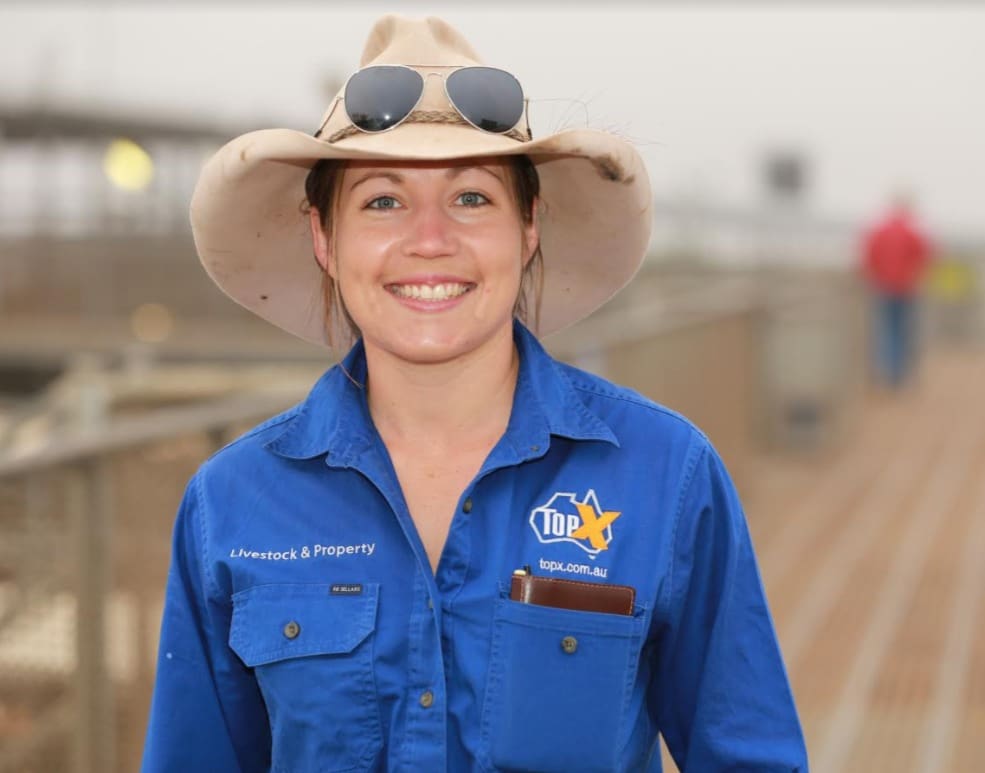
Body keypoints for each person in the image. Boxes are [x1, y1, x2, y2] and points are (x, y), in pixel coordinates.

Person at [141, 14, 807, 772]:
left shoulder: (666, 472)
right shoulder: (229, 502)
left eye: (471, 199)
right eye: (382, 202)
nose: (430, 239)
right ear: (325, 239)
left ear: (528, 229)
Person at [860, 193, 932, 389]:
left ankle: (888, 372)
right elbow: (925, 256)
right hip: (906, 288)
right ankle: (898, 374)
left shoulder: (880, 230)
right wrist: (915, 276)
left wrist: (873, 276)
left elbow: (868, 256)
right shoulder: (912, 232)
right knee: (904, 331)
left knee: (886, 331)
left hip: (883, 287)